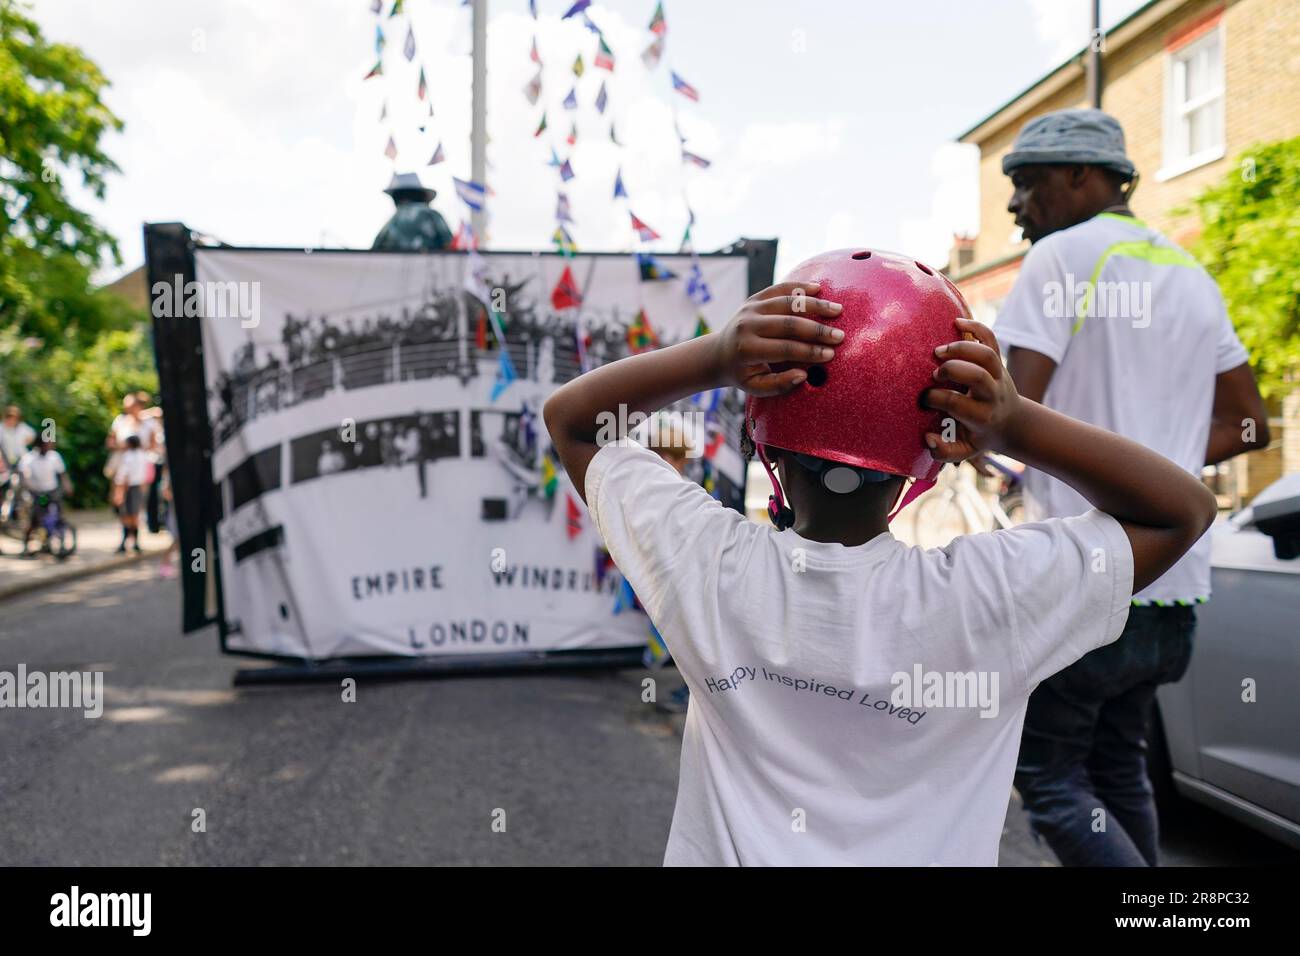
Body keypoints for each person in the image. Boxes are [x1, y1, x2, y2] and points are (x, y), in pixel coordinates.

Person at [543, 252, 1216, 866]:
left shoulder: (707, 568)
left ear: (764, 443)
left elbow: (573, 419)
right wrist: (1013, 423)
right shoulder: (993, 598)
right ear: (928, 459)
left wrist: (716, 357)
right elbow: (1180, 510)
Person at [993, 108, 1270, 867]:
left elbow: (1007, 413)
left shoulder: (1060, 259)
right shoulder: (1192, 273)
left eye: (1026, 183)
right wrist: (1160, 464)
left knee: (1048, 778)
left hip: (1091, 575)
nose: (1015, 205)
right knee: (1120, 767)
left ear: (1083, 176)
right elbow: (1250, 425)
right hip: (1176, 586)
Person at [371, 172, 454, 252]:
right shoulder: (432, 215)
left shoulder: (392, 222)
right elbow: (449, 244)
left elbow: (375, 251)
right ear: (422, 195)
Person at [17, 437, 71, 557]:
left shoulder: (54, 457)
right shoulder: (29, 459)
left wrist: (67, 486)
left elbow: (62, 473)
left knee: (58, 517)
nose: (49, 447)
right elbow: (22, 476)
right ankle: (27, 546)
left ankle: (61, 544)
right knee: (33, 519)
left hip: (52, 490)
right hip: (36, 492)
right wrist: (25, 490)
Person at [113, 434, 150, 553]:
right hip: (139, 487)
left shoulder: (128, 456)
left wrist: (119, 493)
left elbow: (123, 476)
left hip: (128, 488)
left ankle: (125, 542)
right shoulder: (143, 456)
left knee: (126, 515)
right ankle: (135, 542)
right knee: (135, 515)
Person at [1, 405, 36, 521]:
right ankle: (6, 511)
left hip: (22, 462)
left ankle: (28, 505)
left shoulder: (22, 428)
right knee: (9, 485)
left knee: (25, 482)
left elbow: (32, 435)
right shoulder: (2, 428)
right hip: (6, 463)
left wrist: (25, 442)